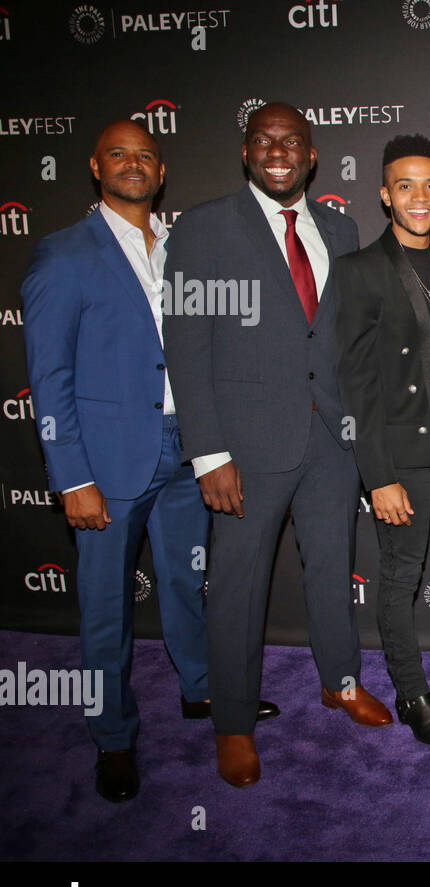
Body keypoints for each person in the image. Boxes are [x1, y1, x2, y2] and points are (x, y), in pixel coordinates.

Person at [20, 120, 277, 803]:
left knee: (187, 584)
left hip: (187, 449)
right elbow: (49, 378)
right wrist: (71, 475)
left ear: (162, 172)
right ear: (95, 168)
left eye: (145, 156)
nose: (133, 165)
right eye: (119, 155)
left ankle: (200, 692)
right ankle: (112, 736)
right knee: (105, 610)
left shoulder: (182, 249)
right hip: (106, 463)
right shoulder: (64, 255)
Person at [163, 102, 383, 789]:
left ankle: (340, 682)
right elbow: (187, 345)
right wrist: (208, 453)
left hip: (331, 438)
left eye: (291, 141)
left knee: (332, 566)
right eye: (265, 140)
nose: (278, 150)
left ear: (311, 155)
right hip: (247, 447)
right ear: (246, 152)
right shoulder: (203, 229)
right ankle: (232, 722)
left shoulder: (342, 228)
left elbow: (350, 338)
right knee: (237, 585)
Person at [334, 134, 430, 749]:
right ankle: (412, 693)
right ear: (386, 193)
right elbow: (354, 386)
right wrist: (377, 474)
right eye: (405, 185)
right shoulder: (359, 271)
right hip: (403, 460)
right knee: (401, 577)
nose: (419, 196)